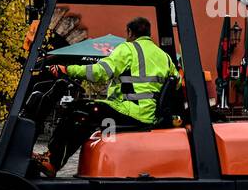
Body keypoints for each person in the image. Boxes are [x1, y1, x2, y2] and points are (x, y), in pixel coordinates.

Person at [36, 16, 175, 175]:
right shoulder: (165, 57)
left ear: (129, 32)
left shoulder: (128, 49)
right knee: (85, 113)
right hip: (148, 115)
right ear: (148, 33)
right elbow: (176, 82)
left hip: (129, 112)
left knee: (77, 111)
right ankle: (54, 160)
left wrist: (68, 70)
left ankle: (52, 160)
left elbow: (100, 72)